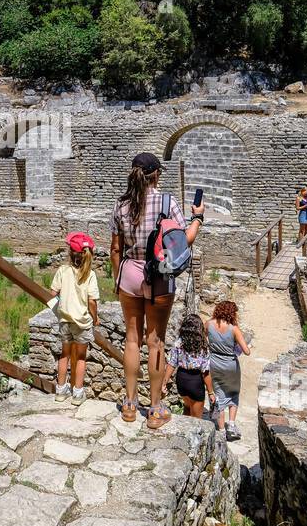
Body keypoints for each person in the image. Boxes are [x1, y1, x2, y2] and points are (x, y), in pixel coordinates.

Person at [110, 152, 204, 429]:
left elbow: (115, 249)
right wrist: (198, 219)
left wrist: (119, 280)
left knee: (131, 340)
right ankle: (154, 409)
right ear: (156, 175)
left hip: (129, 273)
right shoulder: (167, 202)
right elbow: (182, 240)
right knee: (156, 343)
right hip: (159, 277)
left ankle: (129, 405)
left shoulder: (121, 204)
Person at [49, 232, 100, 403]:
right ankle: (77, 393)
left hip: (65, 320)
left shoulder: (63, 271)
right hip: (82, 322)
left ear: (70, 253)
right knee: (80, 357)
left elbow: (52, 294)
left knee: (64, 355)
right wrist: (96, 317)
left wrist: (62, 308)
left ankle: (60, 391)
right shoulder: (90, 275)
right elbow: (92, 302)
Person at [205, 301, 251, 441]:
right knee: (233, 393)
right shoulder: (234, 329)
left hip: (214, 363)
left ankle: (221, 429)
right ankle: (231, 425)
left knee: (218, 395)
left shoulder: (208, 324)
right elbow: (247, 351)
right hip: (230, 365)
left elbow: (202, 340)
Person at [164, 313, 216, 418]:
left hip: (181, 380)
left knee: (187, 409)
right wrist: (211, 392)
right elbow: (205, 372)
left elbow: (172, 363)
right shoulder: (203, 346)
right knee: (196, 420)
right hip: (195, 382)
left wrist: (164, 382)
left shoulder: (179, 343)